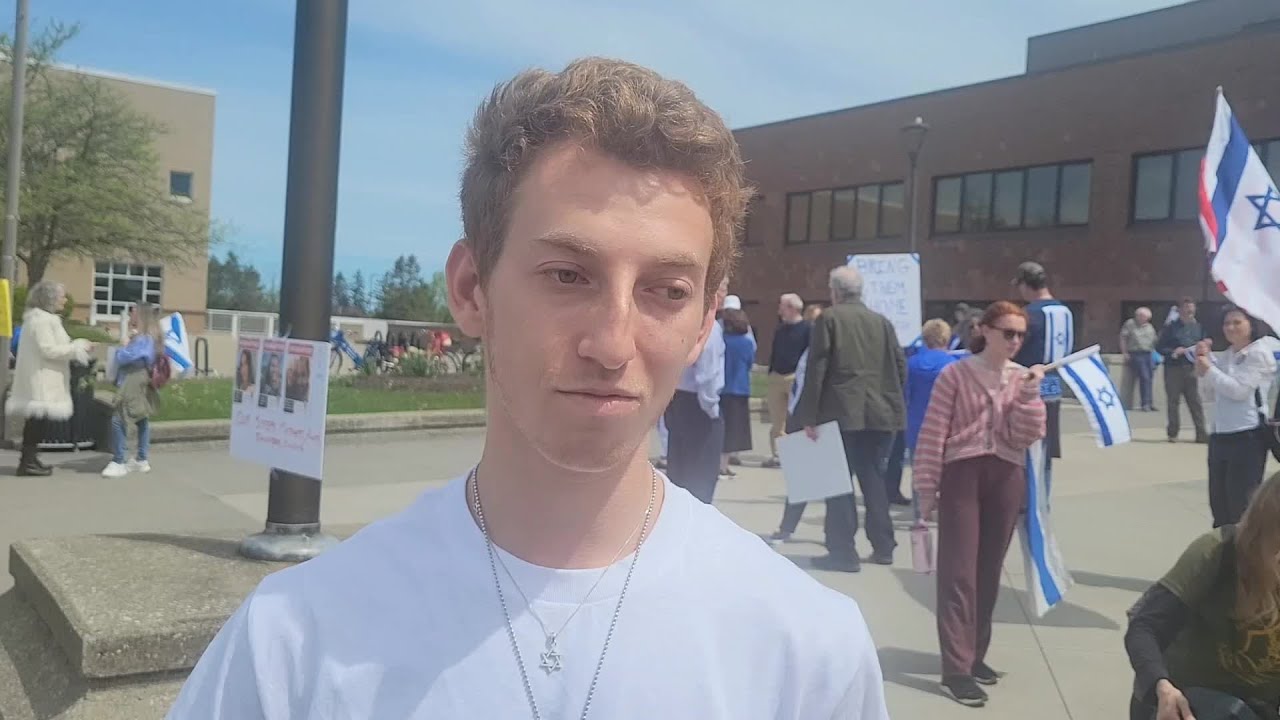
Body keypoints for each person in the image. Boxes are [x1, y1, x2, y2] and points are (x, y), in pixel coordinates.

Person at [168, 57, 889, 720]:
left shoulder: (807, 653)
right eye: (567, 276)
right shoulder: (293, 644)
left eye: (666, 291)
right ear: (471, 288)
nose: (612, 344)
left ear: (704, 320)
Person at [914, 301, 1047, 708]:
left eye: (1021, 335)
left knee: (989, 571)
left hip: (1006, 475)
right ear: (984, 330)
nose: (1015, 341)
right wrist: (925, 488)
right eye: (1008, 332)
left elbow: (1026, 435)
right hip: (962, 474)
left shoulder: (1021, 377)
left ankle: (975, 655)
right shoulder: (955, 373)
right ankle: (956, 668)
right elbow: (934, 431)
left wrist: (1028, 397)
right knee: (959, 572)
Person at [1125, 471, 1280, 720]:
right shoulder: (1218, 551)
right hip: (1186, 702)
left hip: (1258, 705)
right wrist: (1162, 687)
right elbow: (1145, 625)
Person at [792, 265, 907, 573]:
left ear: (835, 291)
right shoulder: (881, 322)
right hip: (880, 413)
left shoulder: (830, 319)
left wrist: (809, 416)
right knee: (873, 480)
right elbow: (900, 364)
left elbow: (817, 370)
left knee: (838, 485)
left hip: (841, 413)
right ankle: (884, 546)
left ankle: (843, 551)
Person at [1196, 305, 1276, 528]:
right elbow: (1209, 394)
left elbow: (1239, 391)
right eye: (1226, 323)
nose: (1230, 328)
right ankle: (1224, 558)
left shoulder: (1258, 353)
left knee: (1240, 507)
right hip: (1221, 435)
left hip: (1247, 436)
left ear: (1251, 325)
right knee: (1219, 506)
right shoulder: (1228, 356)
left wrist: (1209, 370)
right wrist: (1203, 368)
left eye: (1237, 322)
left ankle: (1244, 559)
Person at [7, 281, 93, 476]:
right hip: (42, 379)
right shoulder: (44, 320)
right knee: (36, 423)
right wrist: (76, 349)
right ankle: (27, 462)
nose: (65, 299)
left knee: (37, 422)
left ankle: (30, 459)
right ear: (50, 298)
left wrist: (77, 345)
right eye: (62, 296)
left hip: (40, 377)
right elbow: (48, 349)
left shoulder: (38, 319)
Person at [665, 274, 727, 504]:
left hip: (678, 399)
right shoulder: (710, 328)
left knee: (679, 470)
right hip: (698, 404)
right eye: (723, 288)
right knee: (702, 474)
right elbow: (708, 374)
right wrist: (711, 409)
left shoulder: (680, 321)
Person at [767, 303, 823, 543]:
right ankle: (787, 527)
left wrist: (806, 418)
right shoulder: (808, 355)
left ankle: (837, 534)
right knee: (801, 477)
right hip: (802, 417)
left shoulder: (820, 357)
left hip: (815, 420)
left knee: (817, 478)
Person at [1012, 261, 1072, 461]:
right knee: (1048, 432)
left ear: (1025, 285)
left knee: (1030, 438)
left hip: (1029, 378)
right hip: (1054, 379)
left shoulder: (1030, 314)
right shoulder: (1065, 312)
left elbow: (1015, 348)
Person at [102, 302, 163, 478]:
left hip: (134, 378)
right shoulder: (149, 336)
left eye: (133, 313)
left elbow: (128, 357)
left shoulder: (144, 338)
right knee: (141, 417)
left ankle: (119, 460)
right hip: (140, 377)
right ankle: (141, 458)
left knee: (118, 417)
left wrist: (124, 345)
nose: (130, 315)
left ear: (141, 316)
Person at [905, 319, 960, 469]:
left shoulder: (911, 363)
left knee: (919, 472)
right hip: (947, 426)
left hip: (917, 425)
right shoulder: (955, 365)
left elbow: (906, 396)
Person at [763, 292, 809, 468]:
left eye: (782, 305)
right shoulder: (780, 328)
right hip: (777, 377)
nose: (779, 309)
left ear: (791, 308)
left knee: (795, 418)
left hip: (794, 378)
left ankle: (796, 453)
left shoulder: (807, 328)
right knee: (777, 420)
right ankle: (778, 455)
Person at [1159, 297, 1210, 444]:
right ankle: (1173, 433)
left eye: (1192, 309)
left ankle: (1201, 434)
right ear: (1180, 310)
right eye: (1187, 308)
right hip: (1173, 368)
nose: (1189, 311)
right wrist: (1173, 351)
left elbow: (1204, 341)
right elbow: (1159, 347)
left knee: (1195, 401)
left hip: (1191, 368)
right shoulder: (1170, 328)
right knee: (1173, 402)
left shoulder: (1198, 327)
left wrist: (1206, 343)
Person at [719, 306, 756, 477]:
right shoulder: (747, 343)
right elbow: (749, 363)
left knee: (720, 426)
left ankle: (717, 463)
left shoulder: (722, 341)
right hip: (740, 388)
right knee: (733, 430)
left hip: (721, 388)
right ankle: (723, 464)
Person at [1120, 307, 1159, 412]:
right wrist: (1125, 353)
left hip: (1149, 353)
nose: (1144, 319)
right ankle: (1144, 403)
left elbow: (1154, 340)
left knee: (1149, 378)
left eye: (1147, 318)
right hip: (1136, 353)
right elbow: (1123, 338)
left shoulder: (1149, 327)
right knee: (1144, 377)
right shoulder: (1130, 324)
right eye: (1143, 316)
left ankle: (1150, 403)